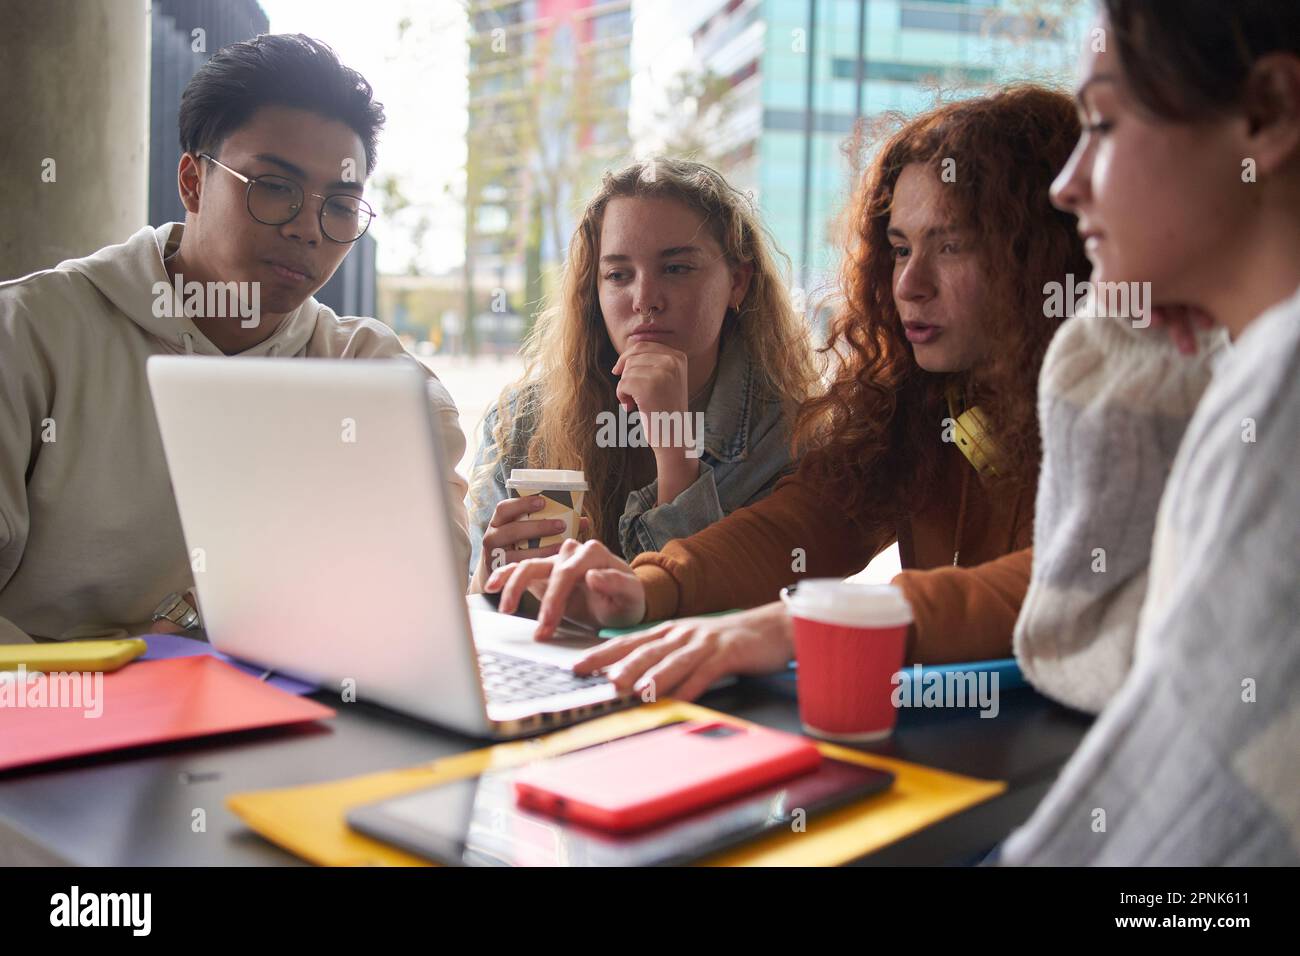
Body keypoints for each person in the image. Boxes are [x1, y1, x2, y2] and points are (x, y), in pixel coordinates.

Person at [487, 86, 1090, 700]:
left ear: (1043, 249)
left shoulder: (1122, 394)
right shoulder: (919, 403)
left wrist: (806, 622)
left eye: (952, 245)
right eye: (901, 249)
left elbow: (1064, 577)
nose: (909, 283)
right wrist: (644, 588)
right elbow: (799, 525)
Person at [0, 35, 470, 643]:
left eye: (341, 205)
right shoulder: (33, 335)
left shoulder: (364, 369)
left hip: (285, 715)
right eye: (275, 187)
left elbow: (430, 585)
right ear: (192, 182)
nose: (307, 229)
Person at [1003, 0, 1300, 864]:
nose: (1067, 184)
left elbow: (1186, 853)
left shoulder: (1281, 386)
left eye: (1101, 123)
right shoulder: (1262, 362)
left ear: (1268, 113)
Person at [467, 158, 818, 591]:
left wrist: (675, 460)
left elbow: (721, 613)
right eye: (618, 275)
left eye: (676, 268)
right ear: (593, 293)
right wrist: (489, 574)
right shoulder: (524, 420)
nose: (645, 299)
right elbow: (474, 619)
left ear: (738, 283)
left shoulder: (788, 437)